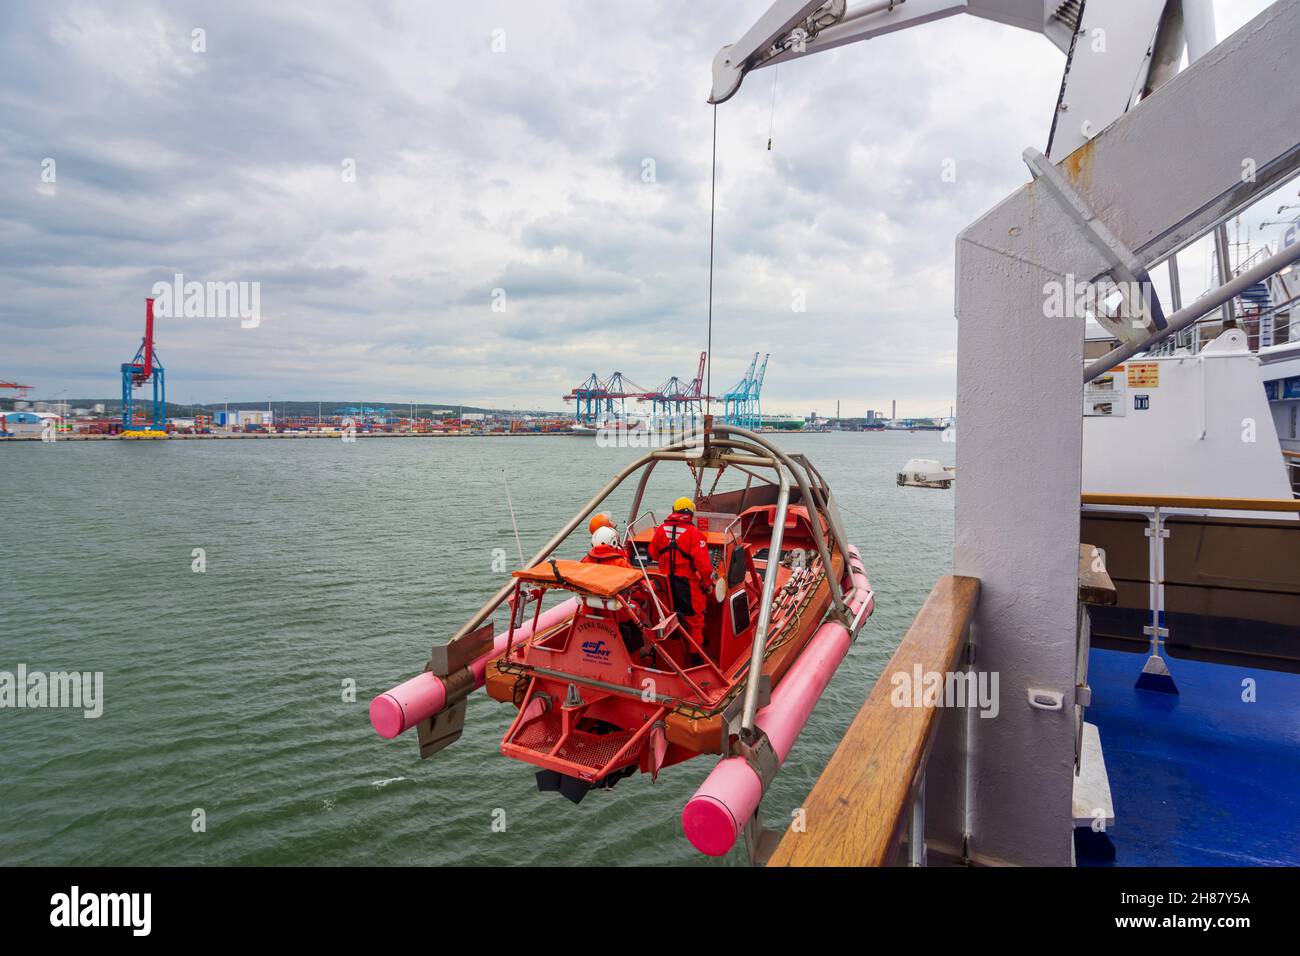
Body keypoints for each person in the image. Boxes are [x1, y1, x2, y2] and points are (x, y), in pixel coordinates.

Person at [648, 497, 716, 647]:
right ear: (691, 513)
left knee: (667, 616)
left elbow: (653, 553)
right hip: (687, 586)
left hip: (665, 584)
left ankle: (672, 650)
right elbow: (704, 567)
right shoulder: (694, 533)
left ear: (673, 511)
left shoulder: (660, 530)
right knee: (694, 623)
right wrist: (707, 584)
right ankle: (696, 659)